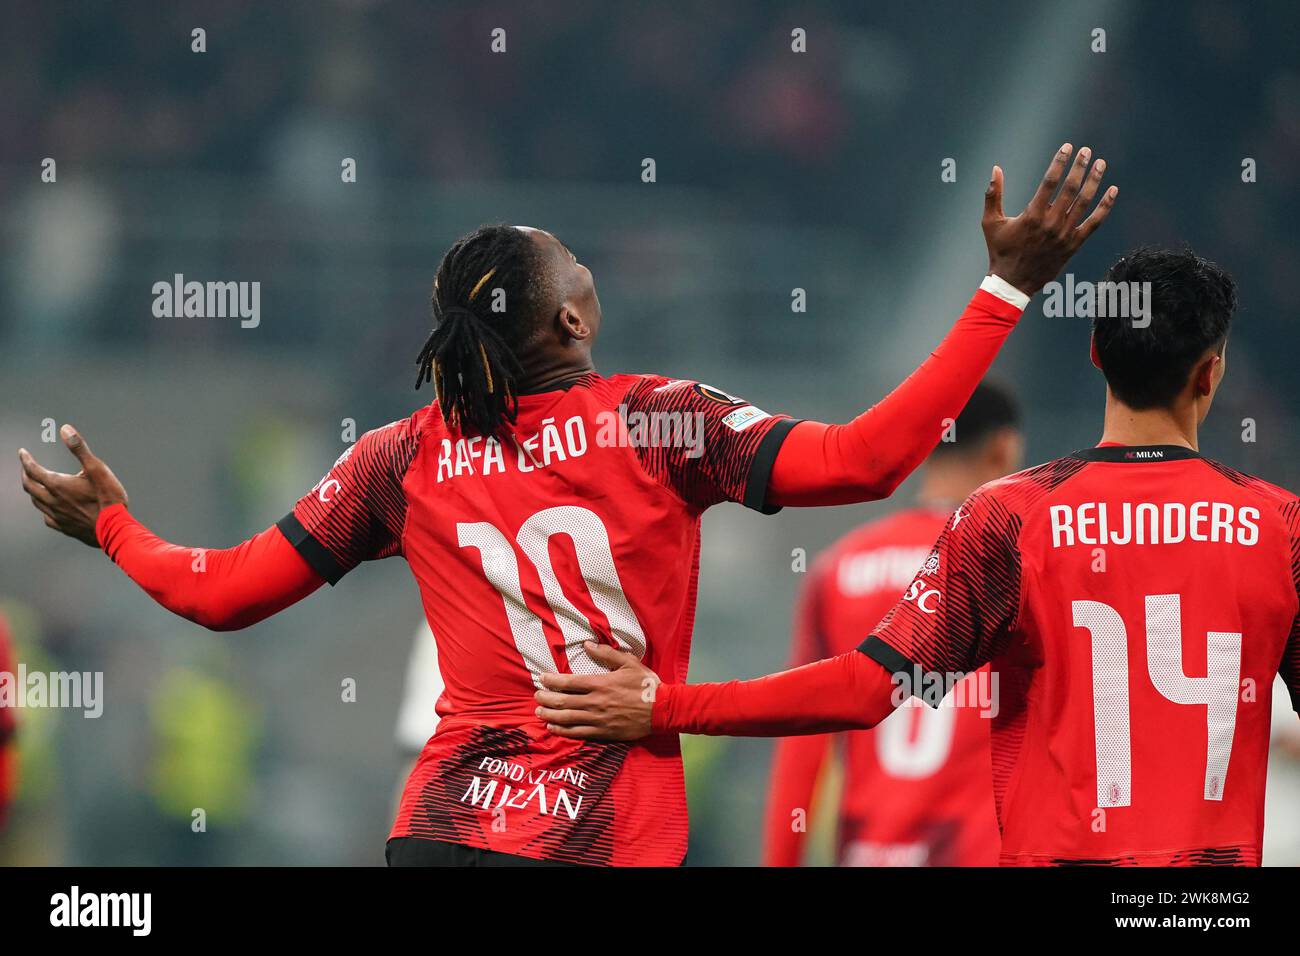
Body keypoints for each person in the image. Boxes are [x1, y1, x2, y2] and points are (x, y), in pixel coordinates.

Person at [18, 145, 1117, 866]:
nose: (590, 269)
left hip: (441, 832)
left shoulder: (399, 457)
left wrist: (113, 524)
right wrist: (1003, 289)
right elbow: (871, 458)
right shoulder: (657, 422)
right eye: (577, 264)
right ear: (572, 325)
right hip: (602, 840)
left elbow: (225, 592)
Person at [537, 246, 1300, 867]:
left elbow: (865, 691)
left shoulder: (1011, 518)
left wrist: (664, 705)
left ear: (1096, 354)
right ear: (1212, 373)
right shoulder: (1281, 528)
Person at [764, 381, 1021, 867]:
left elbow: (801, 741)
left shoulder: (839, 567)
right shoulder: (1017, 566)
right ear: (1004, 448)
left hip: (868, 853)